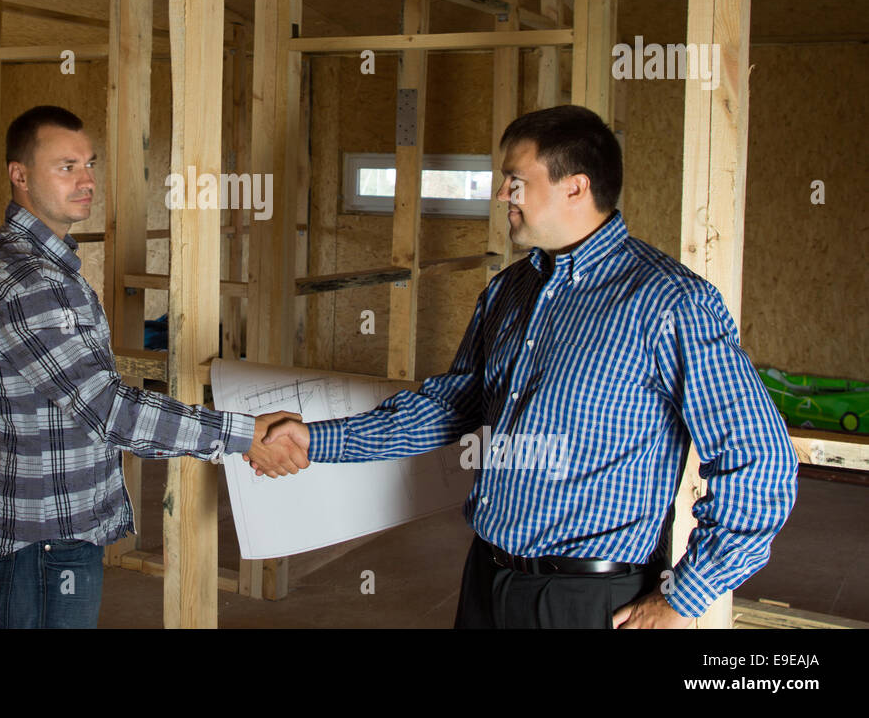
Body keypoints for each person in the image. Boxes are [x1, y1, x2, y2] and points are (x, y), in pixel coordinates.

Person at [253, 105, 798, 629]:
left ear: (575, 186)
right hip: (487, 577)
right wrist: (314, 440)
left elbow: (760, 462)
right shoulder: (509, 291)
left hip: (590, 601)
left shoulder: (669, 302)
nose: (501, 195)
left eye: (515, 180)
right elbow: (448, 408)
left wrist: (686, 596)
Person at [0, 105, 305, 629]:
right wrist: (241, 434)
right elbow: (108, 410)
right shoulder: (27, 281)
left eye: (89, 164)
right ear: (20, 175)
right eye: (66, 166)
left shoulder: (47, 268)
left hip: (55, 535)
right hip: (38, 545)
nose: (87, 180)